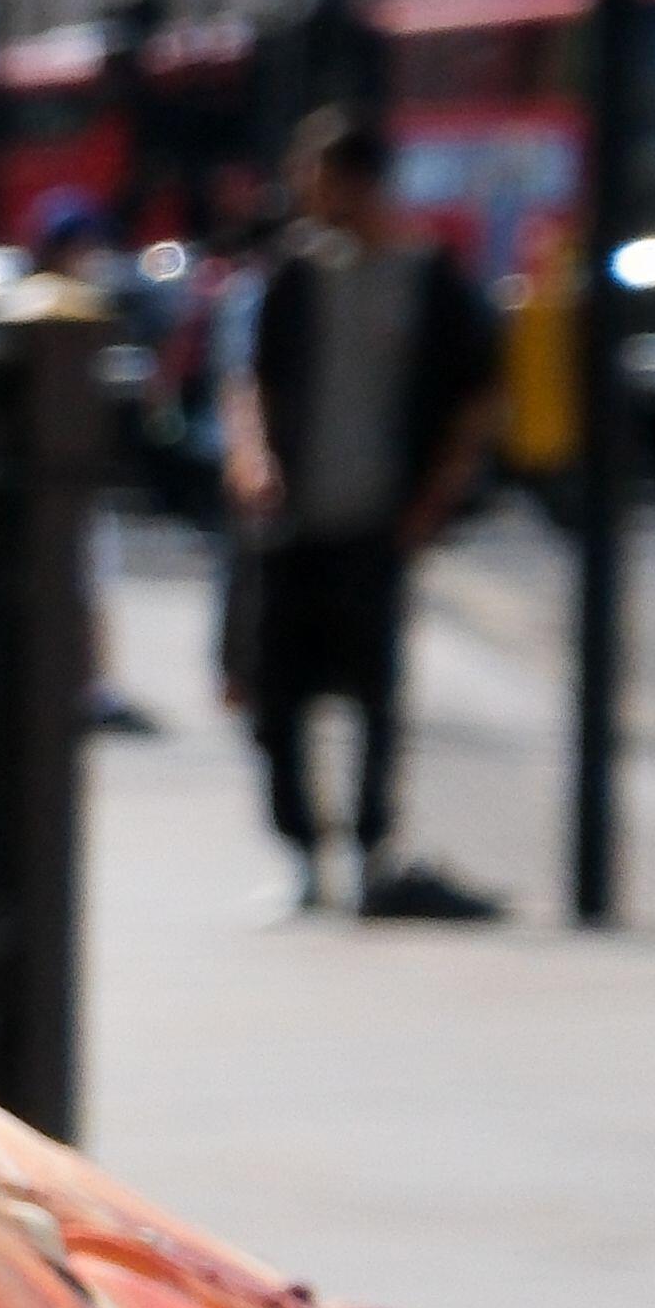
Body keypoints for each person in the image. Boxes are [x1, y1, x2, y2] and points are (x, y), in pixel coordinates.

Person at [220, 113, 507, 926]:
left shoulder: (428, 277)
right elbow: (252, 382)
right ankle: (303, 853)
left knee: (374, 698)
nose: (304, 194)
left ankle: (370, 851)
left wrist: (431, 502)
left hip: (379, 524)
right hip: (292, 524)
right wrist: (253, 463)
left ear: (359, 183)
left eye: (315, 178)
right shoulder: (294, 273)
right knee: (275, 698)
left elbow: (476, 395)